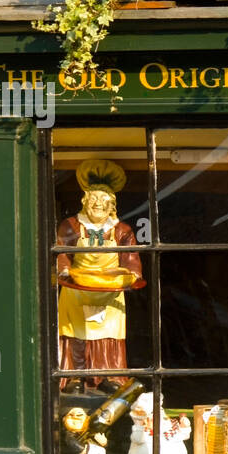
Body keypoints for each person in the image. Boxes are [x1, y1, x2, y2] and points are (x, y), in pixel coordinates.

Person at [56, 159, 142, 393]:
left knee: (109, 335)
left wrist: (133, 274)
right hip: (76, 288)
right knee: (75, 334)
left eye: (103, 200)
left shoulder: (122, 230)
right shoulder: (71, 226)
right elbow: (62, 253)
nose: (98, 204)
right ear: (85, 201)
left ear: (111, 205)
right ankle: (75, 377)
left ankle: (109, 376)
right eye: (93, 199)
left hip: (109, 291)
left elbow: (130, 257)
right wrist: (65, 271)